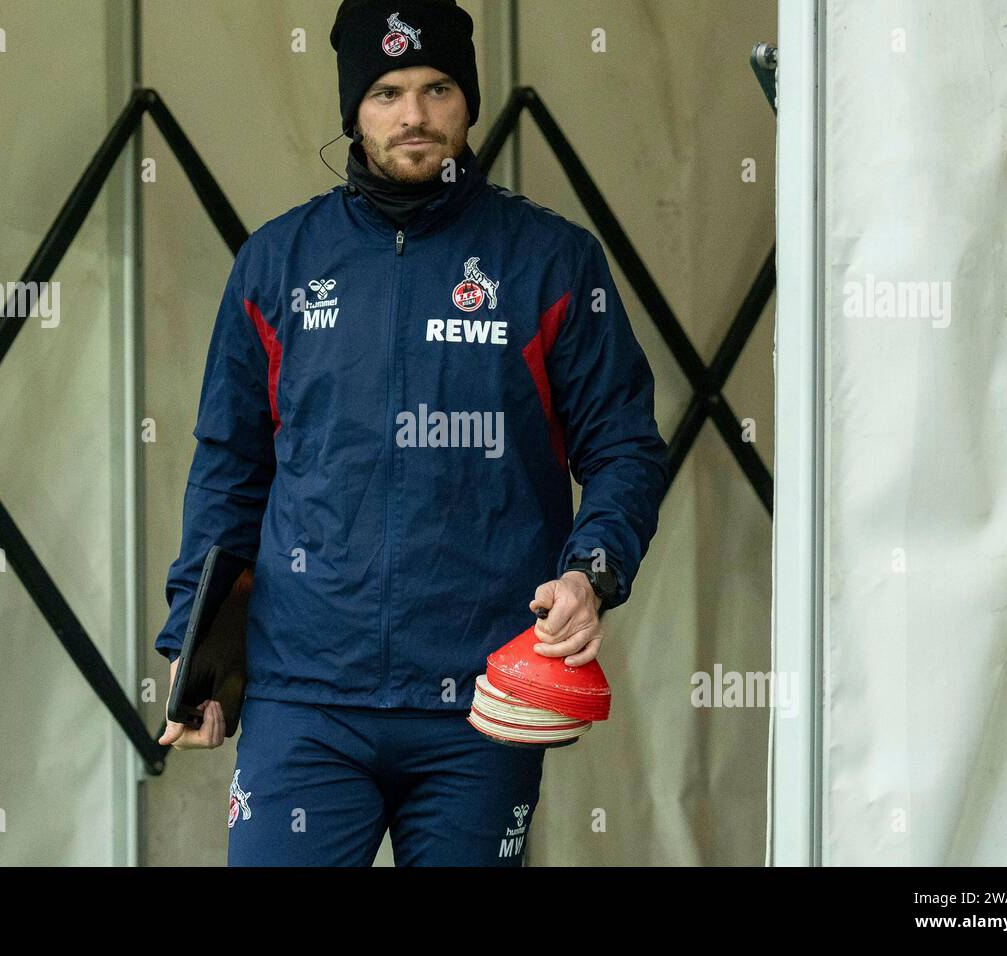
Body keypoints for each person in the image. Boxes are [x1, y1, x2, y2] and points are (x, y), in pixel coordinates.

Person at [154, 0, 670, 866]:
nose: (415, 115)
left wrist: (593, 573)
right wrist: (193, 647)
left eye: (437, 88)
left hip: (482, 696)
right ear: (353, 108)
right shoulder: (277, 262)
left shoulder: (551, 261)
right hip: (305, 695)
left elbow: (623, 445)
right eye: (388, 91)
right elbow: (230, 469)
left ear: (468, 102)